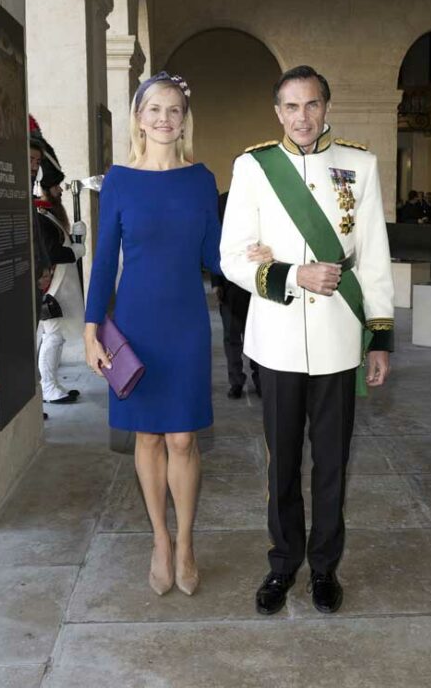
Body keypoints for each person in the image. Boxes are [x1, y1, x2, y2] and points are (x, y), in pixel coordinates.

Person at [83, 72, 269, 598]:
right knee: (147, 436)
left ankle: (187, 543)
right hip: (136, 323)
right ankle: (159, 541)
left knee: (183, 438)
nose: (164, 119)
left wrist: (250, 256)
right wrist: (91, 328)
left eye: (174, 110)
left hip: (186, 323)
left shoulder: (200, 179)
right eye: (154, 110)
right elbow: (103, 264)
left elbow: (213, 256)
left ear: (184, 119)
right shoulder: (119, 179)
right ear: (139, 118)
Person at [220, 65, 394, 617]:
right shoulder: (252, 168)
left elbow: (373, 258)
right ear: (277, 112)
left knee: (332, 461)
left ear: (327, 107)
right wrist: (292, 274)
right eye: (291, 107)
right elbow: (231, 257)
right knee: (282, 463)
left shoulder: (359, 165)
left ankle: (324, 567)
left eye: (312, 105)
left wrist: (380, 338)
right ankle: (282, 564)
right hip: (275, 338)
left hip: (340, 335)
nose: (302, 117)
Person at [30, 115, 85, 405]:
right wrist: (75, 250)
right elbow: (49, 253)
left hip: (54, 284)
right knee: (52, 337)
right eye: (56, 186)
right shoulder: (41, 214)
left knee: (52, 336)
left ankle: (49, 385)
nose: (60, 190)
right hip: (48, 285)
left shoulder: (46, 213)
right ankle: (49, 388)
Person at [214, 188, 261, 400]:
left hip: (257, 280)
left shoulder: (261, 196)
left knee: (257, 334)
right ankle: (236, 382)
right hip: (230, 282)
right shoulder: (222, 202)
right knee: (231, 336)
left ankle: (260, 380)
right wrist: (216, 282)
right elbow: (216, 241)